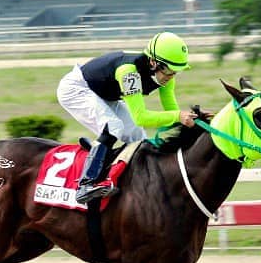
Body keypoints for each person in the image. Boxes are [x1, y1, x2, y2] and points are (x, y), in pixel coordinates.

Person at [57, 31, 198, 204]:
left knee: (138, 136)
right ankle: (86, 184)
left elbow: (172, 114)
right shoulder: (128, 72)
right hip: (77, 89)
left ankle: (137, 184)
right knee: (114, 127)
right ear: (153, 62)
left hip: (104, 95)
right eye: (169, 70)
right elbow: (141, 117)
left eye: (177, 71)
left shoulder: (167, 78)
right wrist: (178, 116)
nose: (171, 76)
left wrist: (194, 120)